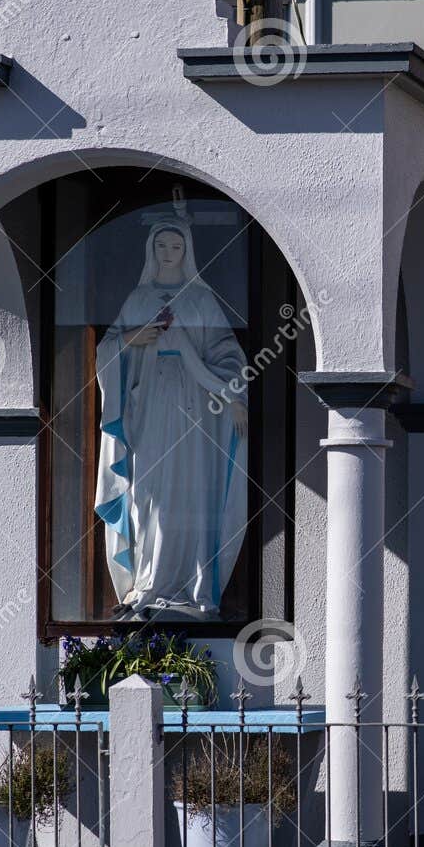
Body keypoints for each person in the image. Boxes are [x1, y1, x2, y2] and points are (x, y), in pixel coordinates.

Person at [93, 214, 248, 617]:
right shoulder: (139, 300)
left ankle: (193, 586)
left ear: (186, 252)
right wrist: (130, 339)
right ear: (152, 250)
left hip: (194, 414)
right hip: (147, 410)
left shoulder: (200, 300)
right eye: (161, 246)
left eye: (175, 247)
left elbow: (227, 353)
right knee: (148, 493)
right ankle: (148, 580)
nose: (168, 254)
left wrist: (231, 395)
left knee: (191, 492)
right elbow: (106, 351)